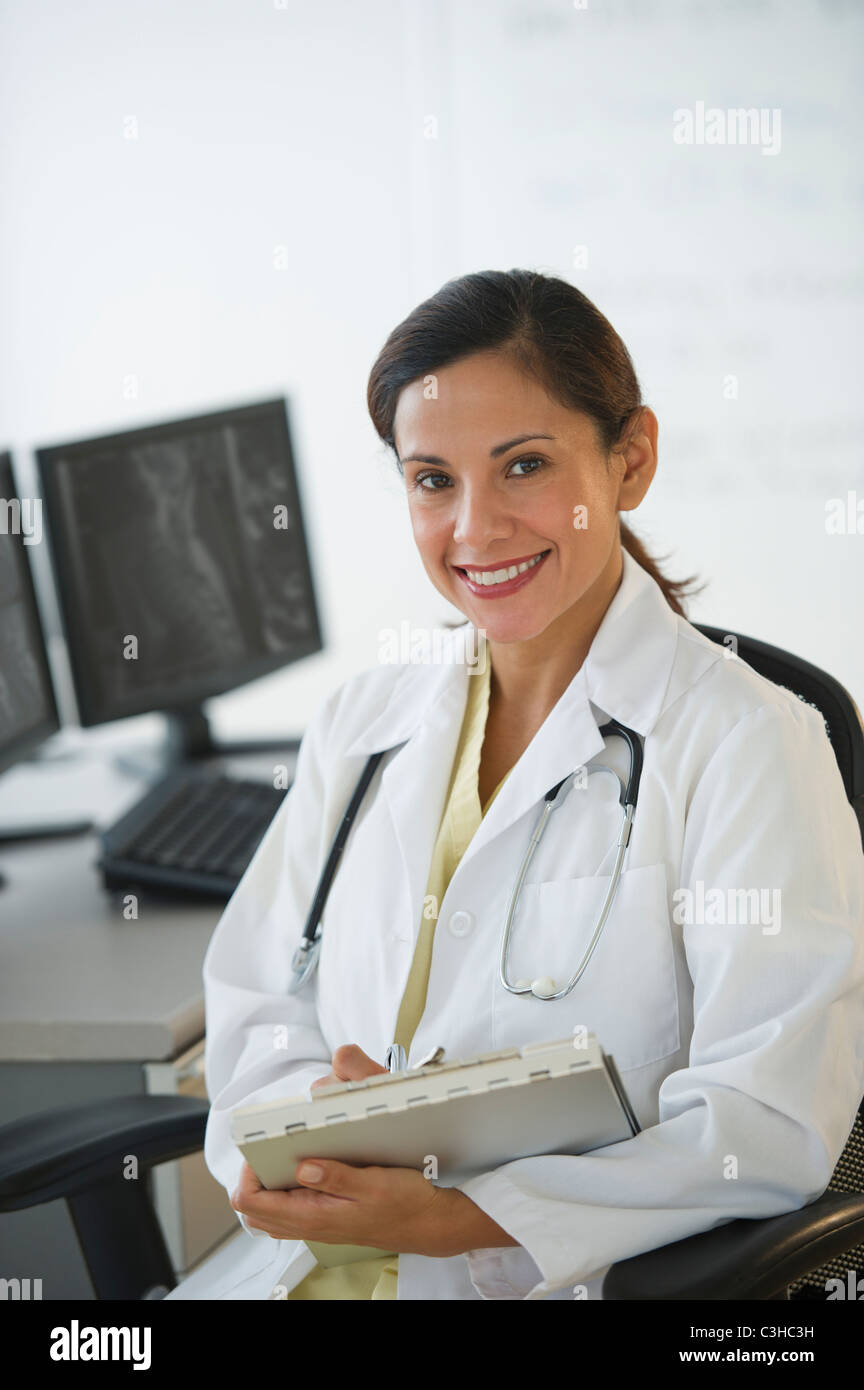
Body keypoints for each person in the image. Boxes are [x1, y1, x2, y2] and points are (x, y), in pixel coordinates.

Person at [166, 269, 864, 1301]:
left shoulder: (750, 744)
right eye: (432, 479)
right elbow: (257, 1000)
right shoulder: (365, 725)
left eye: (524, 465)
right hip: (300, 1268)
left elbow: (764, 1122)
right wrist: (319, 1131)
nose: (475, 529)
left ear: (630, 459)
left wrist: (462, 1216)